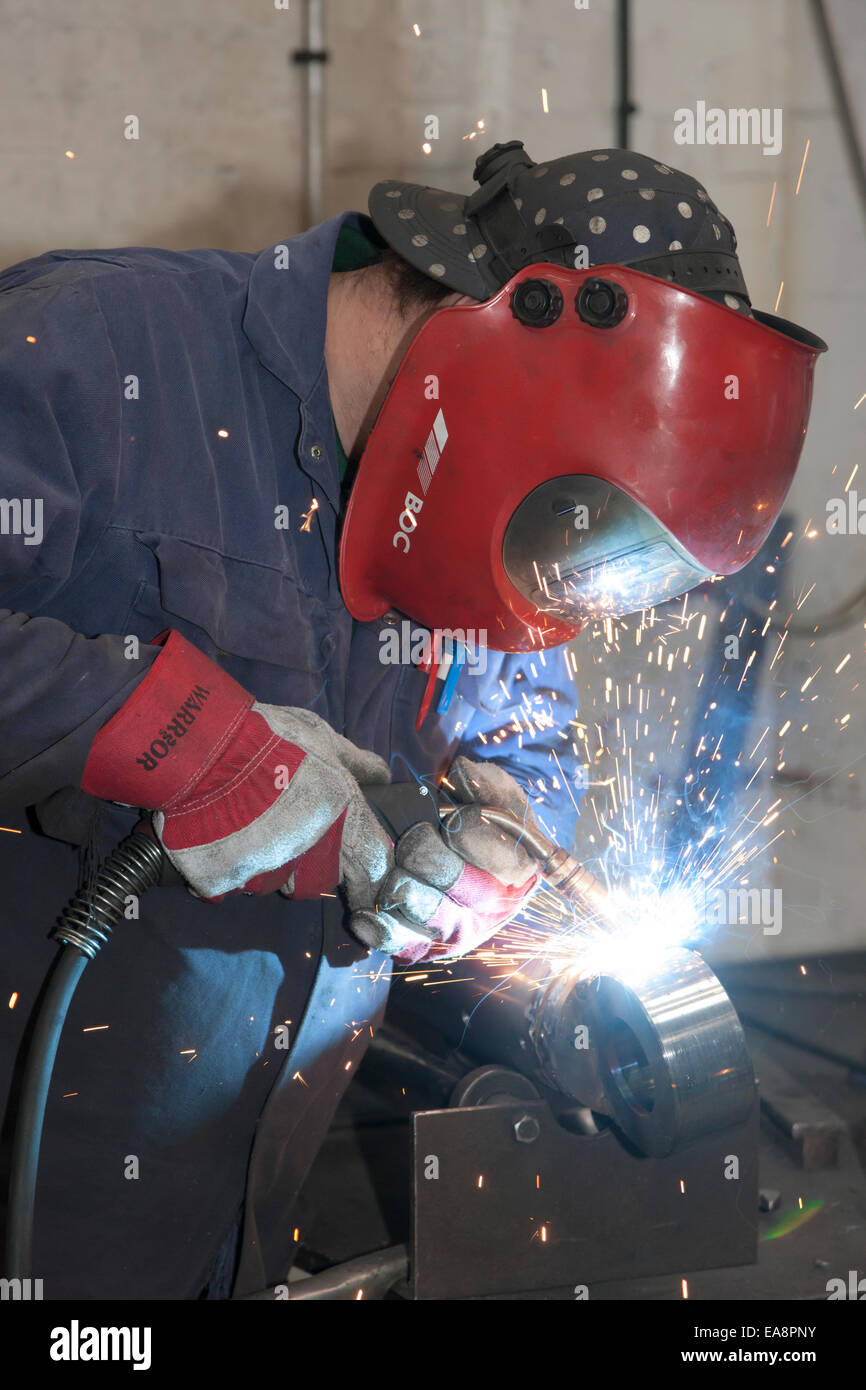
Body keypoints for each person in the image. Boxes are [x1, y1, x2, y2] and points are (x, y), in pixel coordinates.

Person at [0, 139, 824, 1299]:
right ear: (498, 354)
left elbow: (517, 730)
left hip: (241, 1204)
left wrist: (501, 833)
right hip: (33, 1180)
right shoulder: (97, 351)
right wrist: (164, 734)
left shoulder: (503, 529)